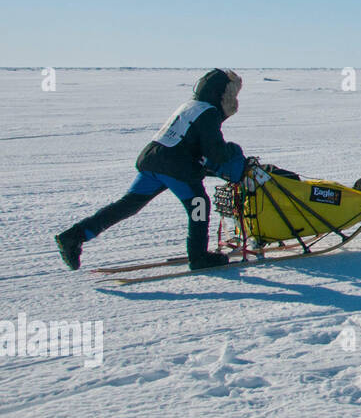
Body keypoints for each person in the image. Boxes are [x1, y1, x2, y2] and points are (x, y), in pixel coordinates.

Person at [54, 68, 247, 272]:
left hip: (152, 160)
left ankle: (74, 236)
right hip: (175, 166)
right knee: (199, 205)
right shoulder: (209, 112)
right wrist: (232, 154)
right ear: (223, 93)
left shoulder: (190, 106)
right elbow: (214, 152)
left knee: (127, 205)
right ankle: (198, 257)